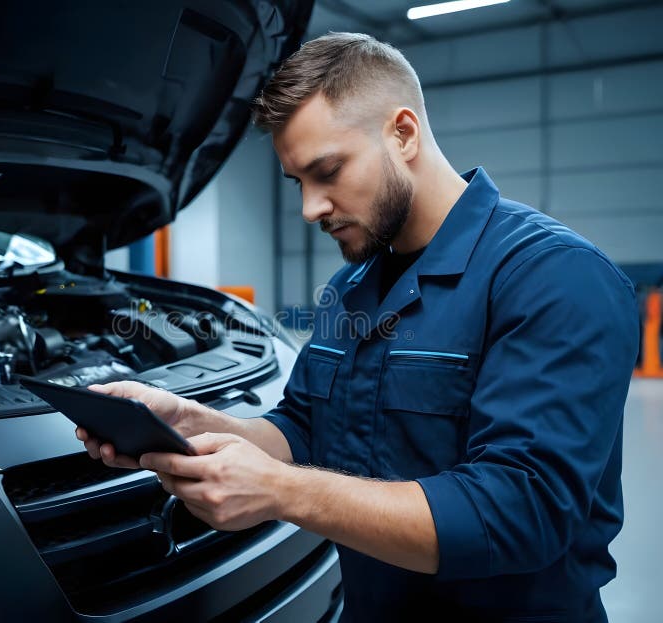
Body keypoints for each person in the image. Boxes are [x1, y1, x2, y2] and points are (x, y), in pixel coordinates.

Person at [76, 33, 638, 621]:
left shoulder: (555, 277)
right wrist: (196, 423)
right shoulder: (352, 289)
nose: (310, 208)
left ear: (403, 133)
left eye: (328, 171)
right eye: (299, 182)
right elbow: (305, 429)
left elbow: (521, 512)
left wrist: (281, 492)